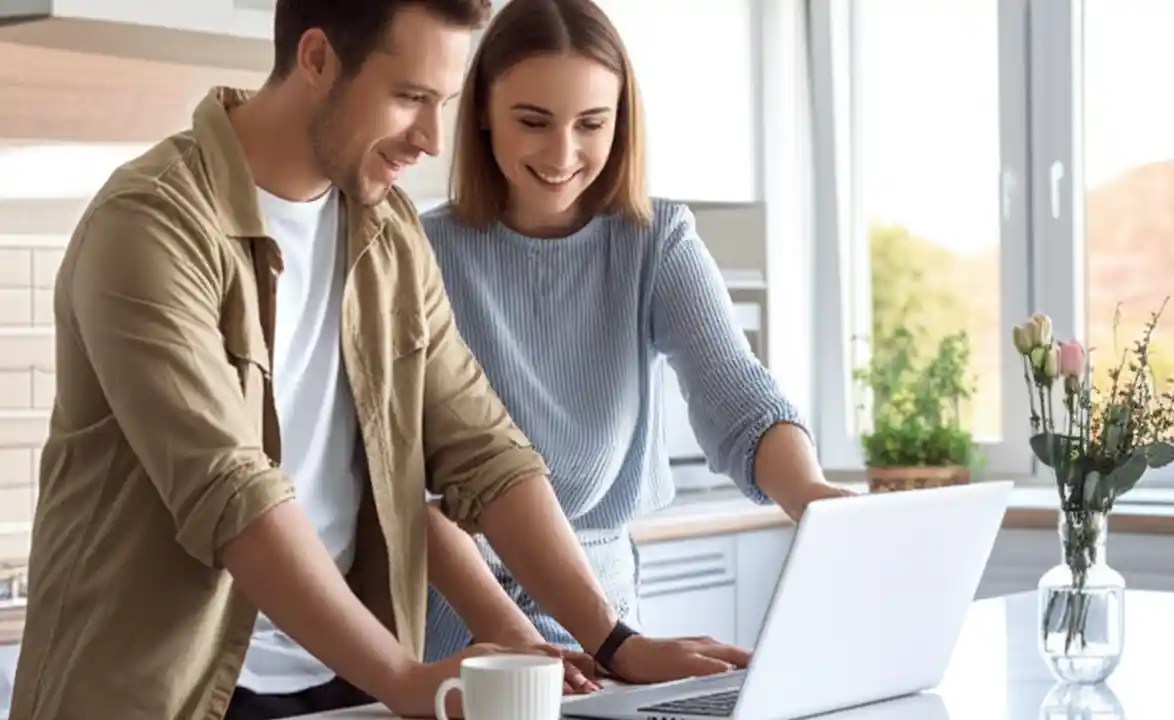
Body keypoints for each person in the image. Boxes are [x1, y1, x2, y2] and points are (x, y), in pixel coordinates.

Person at [10, 1, 748, 718]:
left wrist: (613, 641)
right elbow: (230, 491)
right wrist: (406, 680)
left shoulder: (386, 232)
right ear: (318, 58)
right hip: (166, 695)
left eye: (444, 102)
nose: (432, 137)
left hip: (343, 684)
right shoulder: (152, 225)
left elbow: (483, 450)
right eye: (409, 97)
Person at [419, 0, 854, 662]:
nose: (563, 154)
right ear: (481, 111)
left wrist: (814, 498)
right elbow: (404, 492)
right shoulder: (420, 253)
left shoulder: (655, 243)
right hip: (464, 635)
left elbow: (740, 398)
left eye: (591, 123)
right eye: (533, 122)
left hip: (611, 633)